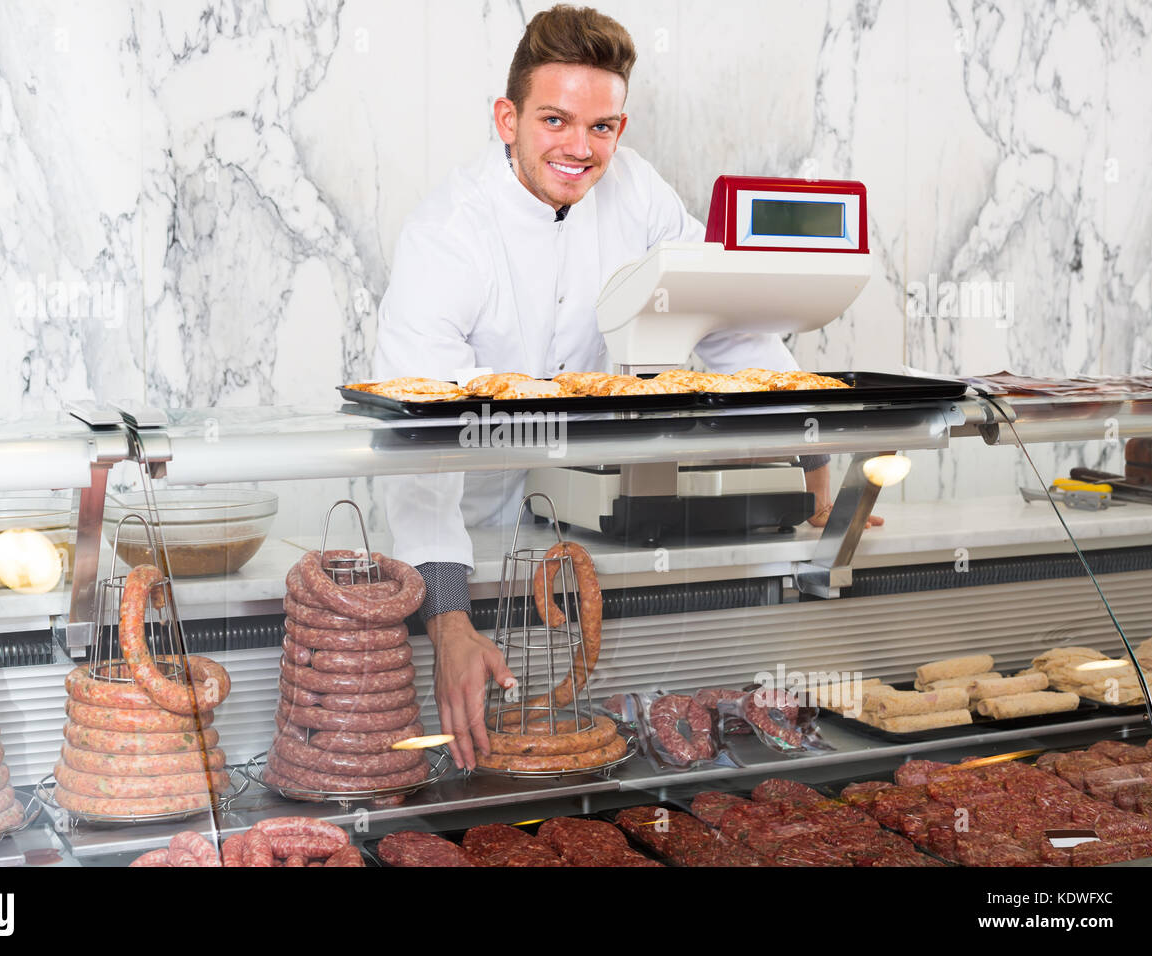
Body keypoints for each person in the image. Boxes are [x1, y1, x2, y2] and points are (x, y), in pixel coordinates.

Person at [372, 4, 878, 769]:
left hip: (577, 532)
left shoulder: (637, 192)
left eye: (601, 126)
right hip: (452, 539)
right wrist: (446, 621)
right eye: (555, 120)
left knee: (571, 753)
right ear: (507, 119)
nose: (580, 148)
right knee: (459, 763)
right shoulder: (447, 235)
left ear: (621, 125)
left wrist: (812, 463)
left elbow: (725, 318)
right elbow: (422, 430)